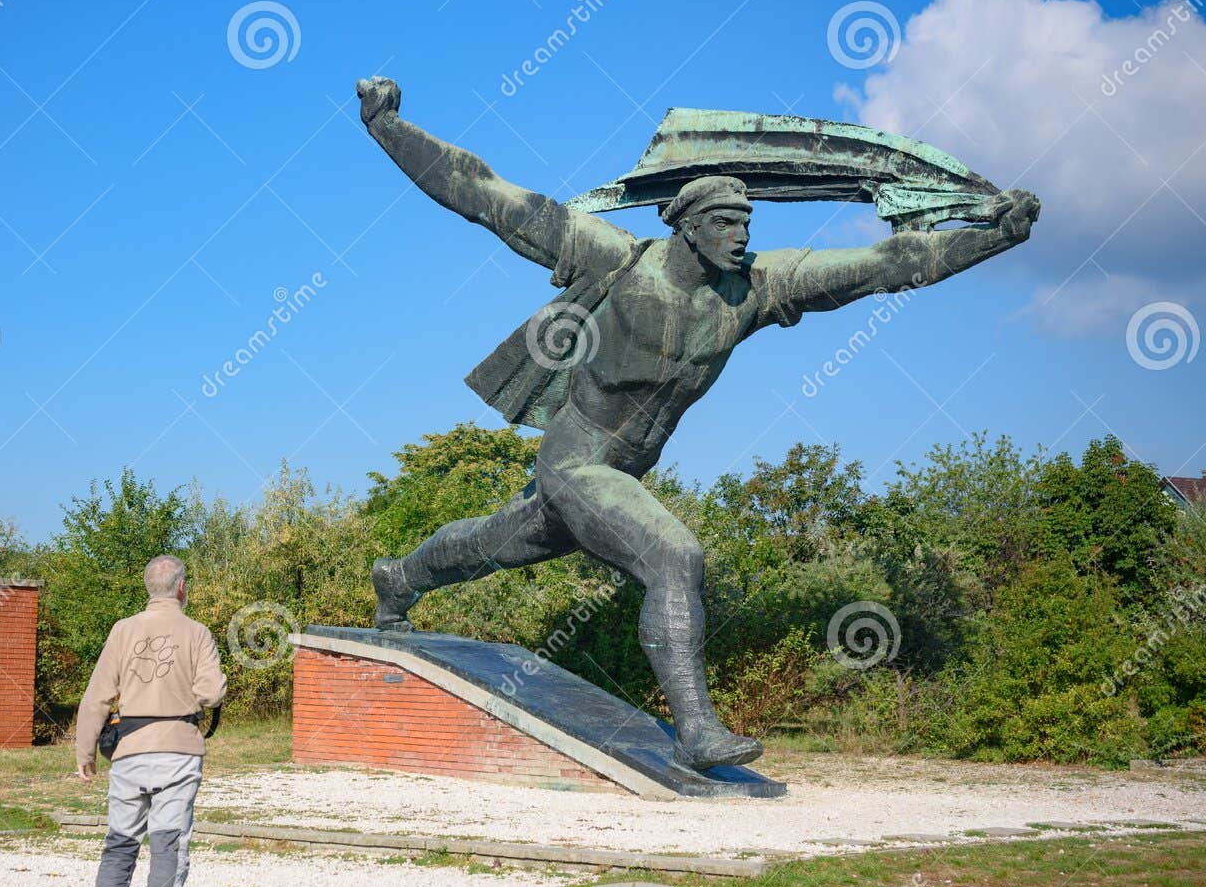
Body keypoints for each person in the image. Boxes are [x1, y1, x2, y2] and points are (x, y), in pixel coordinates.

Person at [355, 75, 1040, 770]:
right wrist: (388, 128)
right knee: (674, 557)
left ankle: (399, 579)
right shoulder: (615, 259)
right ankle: (697, 731)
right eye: (724, 224)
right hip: (576, 460)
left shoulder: (752, 291)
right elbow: (483, 193)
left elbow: (886, 264)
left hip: (621, 474)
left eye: (746, 225)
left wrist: (994, 237)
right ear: (685, 224)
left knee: (489, 545)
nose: (740, 237)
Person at [75, 555, 226, 887]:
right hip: (177, 752)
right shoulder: (197, 633)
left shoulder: (122, 630)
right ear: (181, 587)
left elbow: (97, 696)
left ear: (149, 588)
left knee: (119, 847)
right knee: (167, 850)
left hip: (129, 752)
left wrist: (85, 754)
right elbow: (212, 693)